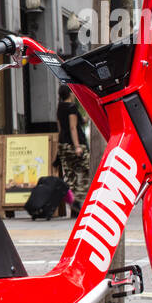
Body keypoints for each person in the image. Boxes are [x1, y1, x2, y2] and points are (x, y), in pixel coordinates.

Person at [56, 85, 89, 217]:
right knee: (85, 172)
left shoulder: (60, 108)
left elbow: (61, 127)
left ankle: (74, 208)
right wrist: (77, 146)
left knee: (70, 175)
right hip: (74, 144)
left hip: (63, 145)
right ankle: (77, 202)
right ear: (70, 94)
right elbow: (73, 127)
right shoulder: (71, 107)